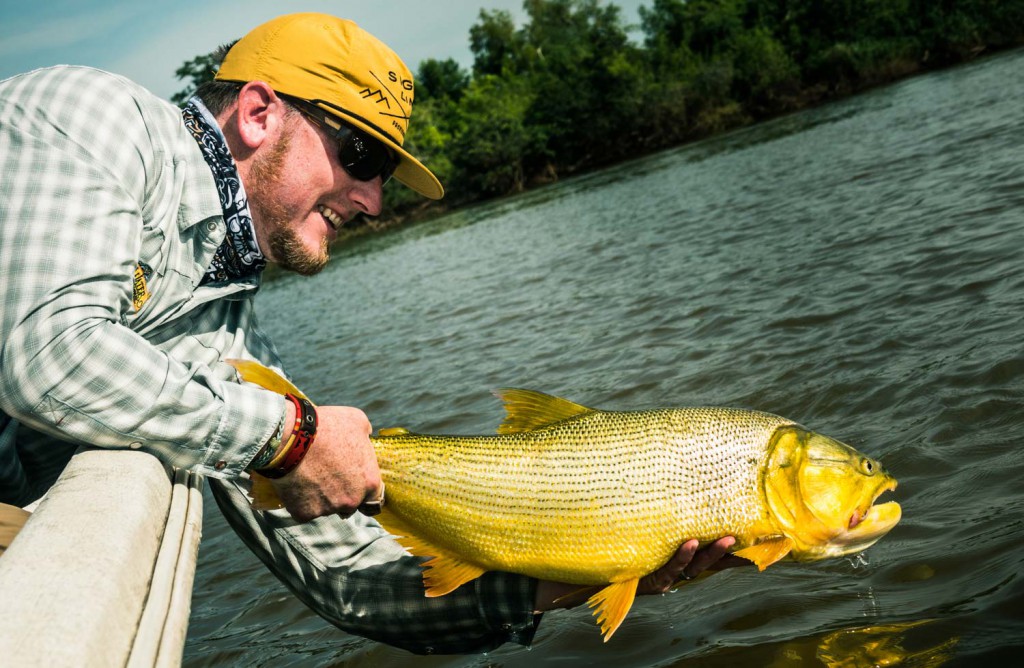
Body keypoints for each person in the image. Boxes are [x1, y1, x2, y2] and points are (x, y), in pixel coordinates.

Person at [0, 12, 741, 653]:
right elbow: (49, 353)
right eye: (365, 157)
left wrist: (572, 575)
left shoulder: (227, 331)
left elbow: (351, 580)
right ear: (259, 114)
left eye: (384, 172)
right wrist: (290, 438)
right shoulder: (92, 117)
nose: (374, 200)